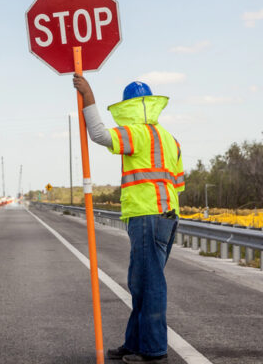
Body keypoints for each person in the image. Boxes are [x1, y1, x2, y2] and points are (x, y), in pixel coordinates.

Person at [73, 74, 184, 363]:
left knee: (150, 285)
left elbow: (98, 134)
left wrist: (88, 95)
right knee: (141, 283)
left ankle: (154, 351)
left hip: (147, 216)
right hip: (166, 216)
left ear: (130, 107)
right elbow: (179, 183)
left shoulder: (137, 132)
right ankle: (135, 343)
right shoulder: (170, 139)